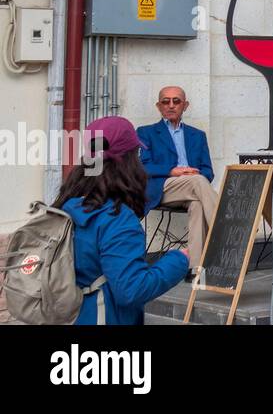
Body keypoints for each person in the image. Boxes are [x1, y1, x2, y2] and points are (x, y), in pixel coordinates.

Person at [55, 116, 189, 325]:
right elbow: (132, 290)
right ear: (129, 159)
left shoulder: (66, 204)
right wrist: (179, 260)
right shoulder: (116, 217)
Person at [137, 86, 217, 269]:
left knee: (197, 204)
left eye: (176, 101)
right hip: (163, 188)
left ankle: (195, 268)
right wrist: (172, 171)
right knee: (197, 181)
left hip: (193, 188)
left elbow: (208, 171)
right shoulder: (145, 132)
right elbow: (142, 167)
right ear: (159, 106)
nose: (171, 105)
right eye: (165, 101)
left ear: (185, 105)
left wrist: (194, 174)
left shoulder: (198, 135)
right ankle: (225, 229)